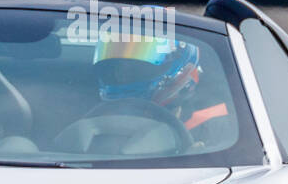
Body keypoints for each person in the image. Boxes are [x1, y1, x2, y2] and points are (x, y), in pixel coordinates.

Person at [92, 36, 229, 144]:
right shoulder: (94, 116)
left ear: (180, 71)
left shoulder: (211, 123)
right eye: (117, 66)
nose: (121, 75)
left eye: (137, 67)